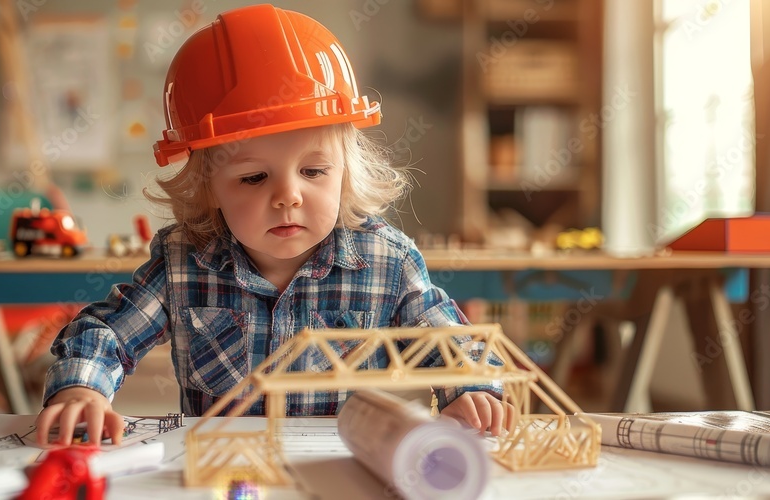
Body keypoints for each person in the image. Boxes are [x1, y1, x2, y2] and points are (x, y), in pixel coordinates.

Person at [36, 4, 511, 446]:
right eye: (254, 177)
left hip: (340, 473)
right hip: (219, 470)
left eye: (314, 171)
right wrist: (82, 388)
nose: (288, 195)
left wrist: (473, 389)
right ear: (209, 187)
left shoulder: (387, 261)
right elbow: (110, 334)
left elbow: (450, 343)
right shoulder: (184, 260)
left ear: (346, 174)